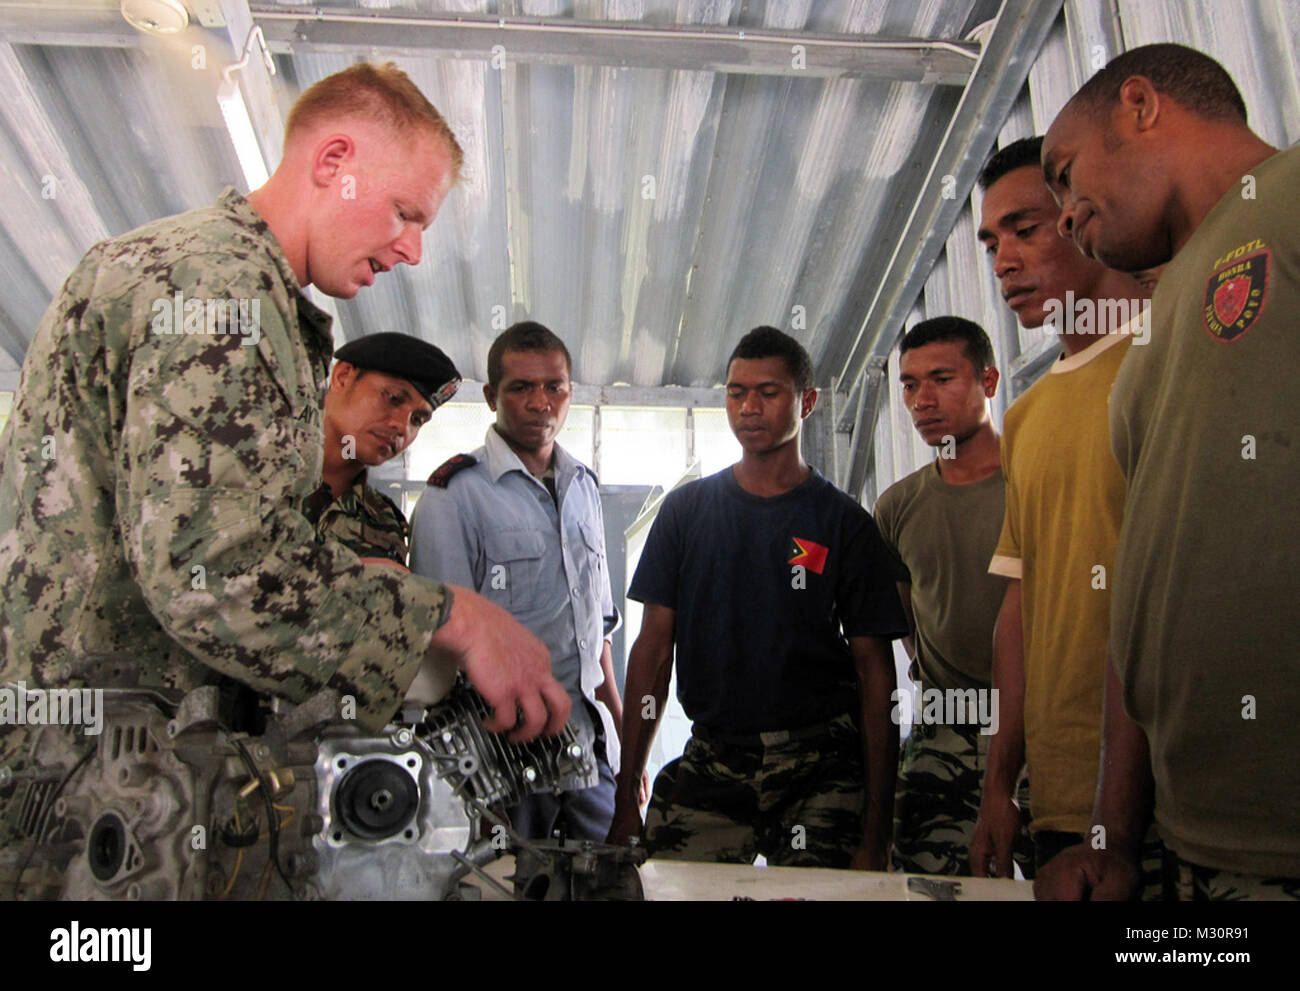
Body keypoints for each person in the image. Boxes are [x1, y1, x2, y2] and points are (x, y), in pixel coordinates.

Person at [0, 63, 570, 856]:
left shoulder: (234, 290)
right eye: (405, 213)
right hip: (99, 799)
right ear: (334, 162)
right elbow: (212, 570)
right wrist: (454, 616)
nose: (411, 250)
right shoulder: (218, 288)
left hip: (118, 779)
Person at [1035, 43, 1299, 901]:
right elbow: (1143, 591)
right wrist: (1114, 836)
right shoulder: (1155, 331)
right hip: (1197, 838)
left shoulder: (1288, 197)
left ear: (1141, 106)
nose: (1065, 217)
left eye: (1066, 175)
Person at [607, 326, 908, 869]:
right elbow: (652, 651)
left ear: (806, 402)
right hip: (714, 758)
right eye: (736, 392)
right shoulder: (685, 514)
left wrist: (877, 830)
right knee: (661, 884)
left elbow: (875, 675)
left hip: (822, 768)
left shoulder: (844, 523)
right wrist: (627, 795)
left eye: (768, 393)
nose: (749, 407)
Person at [969, 136, 1159, 888]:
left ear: (1084, 216)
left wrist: (1119, 820)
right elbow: (1021, 604)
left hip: (1168, 799)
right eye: (991, 243)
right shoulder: (1025, 415)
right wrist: (1000, 783)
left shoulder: (1164, 362)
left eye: (1025, 229)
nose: (1003, 261)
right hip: (1060, 796)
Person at [409, 321, 629, 842]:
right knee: (504, 879)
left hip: (589, 752)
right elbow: (438, 650)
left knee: (609, 875)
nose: (540, 403)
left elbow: (598, 635)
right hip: (501, 759)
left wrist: (626, 746)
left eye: (555, 387)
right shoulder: (453, 495)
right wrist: (463, 785)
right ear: (491, 397)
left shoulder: (583, 488)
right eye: (521, 387)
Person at [873, 316, 1032, 877]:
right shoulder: (897, 507)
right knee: (928, 886)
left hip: (1044, 728)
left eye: (941, 379)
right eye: (910, 385)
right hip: (945, 729)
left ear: (989, 381)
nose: (922, 400)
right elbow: (907, 624)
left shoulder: (1034, 483)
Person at [305, 332, 461, 565]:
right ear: (343, 377)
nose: (402, 427)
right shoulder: (260, 470)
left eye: (417, 420)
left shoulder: (383, 520)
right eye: (394, 399)